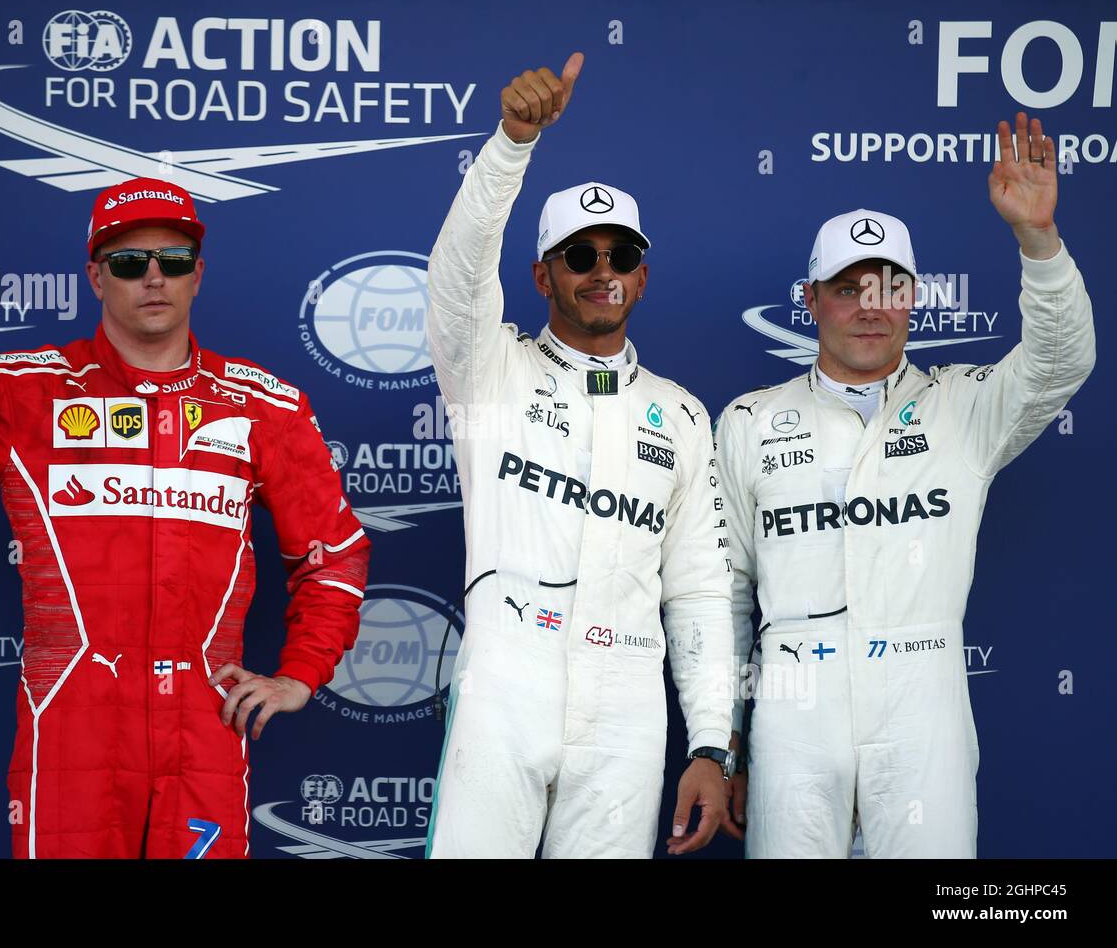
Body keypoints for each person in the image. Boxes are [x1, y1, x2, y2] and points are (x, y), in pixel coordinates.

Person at [0, 177, 371, 859]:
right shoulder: (24, 391)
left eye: (173, 261)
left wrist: (301, 672)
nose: (153, 278)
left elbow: (335, 552)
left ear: (197, 276)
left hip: (202, 728)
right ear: (95, 276)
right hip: (70, 732)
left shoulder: (263, 404)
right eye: (128, 262)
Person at [716, 113, 1095, 858]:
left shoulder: (964, 406)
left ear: (914, 297)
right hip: (794, 704)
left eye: (888, 285)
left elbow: (1062, 360)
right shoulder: (750, 420)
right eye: (847, 287)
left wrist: (1039, 242)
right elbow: (727, 590)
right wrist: (724, 739)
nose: (869, 304)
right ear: (811, 299)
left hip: (923, 703)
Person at [423, 54, 735, 859]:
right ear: (542, 275)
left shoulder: (683, 415)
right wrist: (511, 147)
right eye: (581, 256)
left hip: (627, 702)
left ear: (642, 275)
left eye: (621, 256)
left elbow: (699, 588)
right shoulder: (489, 368)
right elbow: (457, 279)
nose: (604, 272)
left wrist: (711, 744)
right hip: (506, 685)